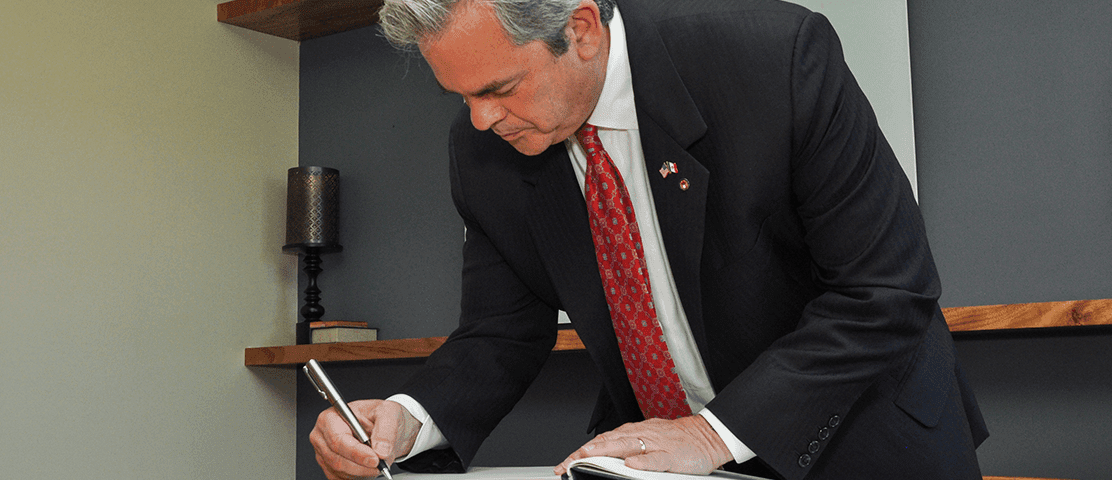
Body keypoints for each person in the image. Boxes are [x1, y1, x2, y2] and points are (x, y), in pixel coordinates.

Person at [309, 0, 989, 479]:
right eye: (459, 96)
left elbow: (884, 291)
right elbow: (501, 330)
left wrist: (707, 435)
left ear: (581, 30)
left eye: (500, 88)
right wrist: (407, 417)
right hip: (666, 470)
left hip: (861, 440)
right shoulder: (483, 147)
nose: (482, 120)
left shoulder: (772, 56)